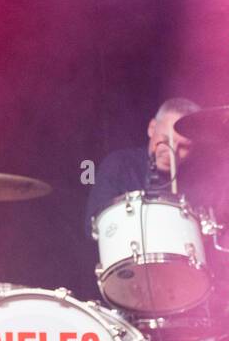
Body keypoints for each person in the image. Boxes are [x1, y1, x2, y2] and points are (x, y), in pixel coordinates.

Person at [85, 97, 201, 238]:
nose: (172, 151)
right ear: (152, 128)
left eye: (184, 146)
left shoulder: (201, 181)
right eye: (165, 140)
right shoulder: (119, 164)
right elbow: (94, 227)